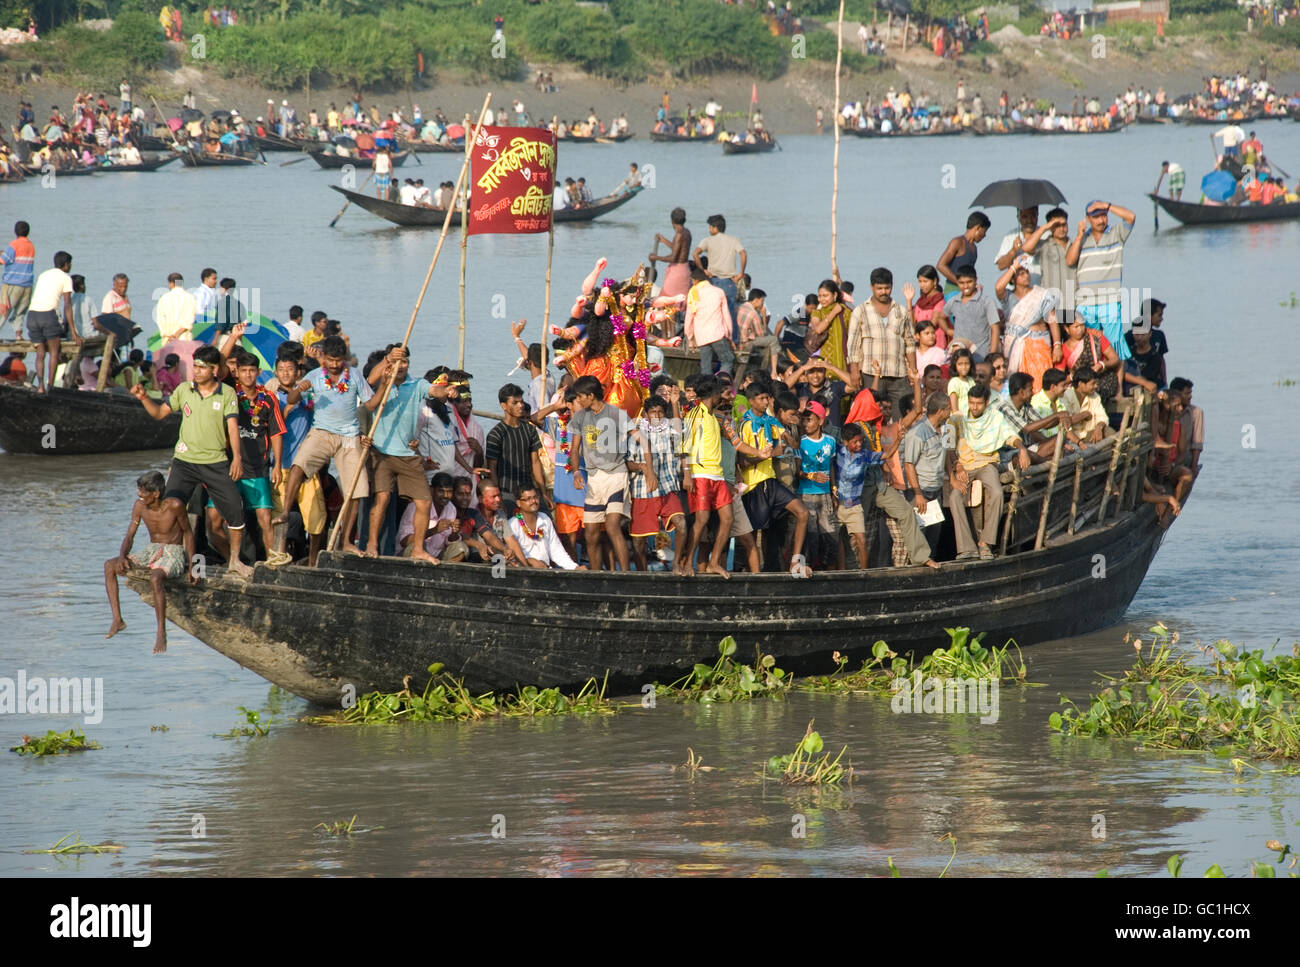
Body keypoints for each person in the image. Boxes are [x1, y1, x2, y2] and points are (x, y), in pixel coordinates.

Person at [131, 344, 251, 577]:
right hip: (184, 462)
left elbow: (233, 429)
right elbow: (158, 414)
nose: (196, 371)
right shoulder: (184, 390)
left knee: (235, 510)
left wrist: (236, 458)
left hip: (216, 462)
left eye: (202, 367)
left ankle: (235, 561)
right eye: (194, 365)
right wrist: (144, 397)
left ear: (215, 370)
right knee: (168, 506)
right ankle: (165, 555)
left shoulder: (227, 394)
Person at [274, 335, 375, 556]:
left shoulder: (355, 376)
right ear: (324, 358)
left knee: (357, 491)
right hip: (321, 432)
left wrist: (385, 387)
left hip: (349, 437)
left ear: (345, 359)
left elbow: (370, 404)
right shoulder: (314, 376)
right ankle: (285, 511)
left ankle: (346, 540)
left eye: (338, 360)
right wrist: (300, 389)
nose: (334, 365)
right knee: (298, 466)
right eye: (330, 360)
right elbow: (291, 399)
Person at [364, 345, 452, 564]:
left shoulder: (416, 384)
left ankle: (418, 549)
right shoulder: (381, 379)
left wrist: (446, 391)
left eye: (404, 362)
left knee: (423, 502)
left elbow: (434, 391)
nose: (400, 367)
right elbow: (370, 381)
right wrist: (387, 364)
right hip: (382, 451)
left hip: (408, 454)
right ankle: (372, 544)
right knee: (382, 498)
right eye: (397, 362)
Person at [104, 470, 196, 654]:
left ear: (156, 494)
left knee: (155, 578)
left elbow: (188, 533)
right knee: (109, 565)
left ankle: (161, 632)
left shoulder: (175, 506)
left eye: (143, 491)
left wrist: (193, 567)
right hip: (151, 550)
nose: (139, 495)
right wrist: (122, 556)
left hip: (173, 552)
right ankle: (117, 619)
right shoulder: (139, 507)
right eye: (139, 490)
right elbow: (130, 534)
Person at [209, 347, 286, 566]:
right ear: (238, 373)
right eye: (243, 371)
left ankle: (272, 563)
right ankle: (233, 561)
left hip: (257, 469)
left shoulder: (269, 398)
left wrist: (278, 465)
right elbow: (218, 365)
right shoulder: (229, 394)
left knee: (265, 519)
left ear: (259, 372)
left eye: (252, 371)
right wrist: (233, 337)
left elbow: (277, 433)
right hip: (227, 469)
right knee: (213, 521)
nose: (248, 375)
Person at [947, 382, 1031, 561]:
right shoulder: (956, 418)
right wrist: (957, 466)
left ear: (986, 403)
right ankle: (966, 548)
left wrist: (1022, 448)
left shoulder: (995, 417)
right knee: (954, 497)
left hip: (987, 463)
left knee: (997, 492)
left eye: (978, 403)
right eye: (971, 403)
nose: (974, 407)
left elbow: (1011, 436)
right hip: (964, 465)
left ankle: (985, 543)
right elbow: (946, 445)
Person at [738, 378, 811, 573]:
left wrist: (796, 426)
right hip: (753, 485)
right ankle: (754, 576)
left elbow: (794, 445)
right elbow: (742, 462)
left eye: (766, 398)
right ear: (751, 401)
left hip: (770, 482)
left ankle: (796, 562)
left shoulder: (770, 422)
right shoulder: (745, 425)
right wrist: (766, 454)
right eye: (761, 399)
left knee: (803, 513)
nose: (765, 402)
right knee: (753, 535)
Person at [567, 374, 630, 572]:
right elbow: (574, 449)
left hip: (616, 474)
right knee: (591, 533)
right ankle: (595, 576)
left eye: (580, 397)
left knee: (612, 526)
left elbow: (640, 438)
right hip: (594, 479)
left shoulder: (615, 414)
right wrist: (577, 472)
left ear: (590, 395)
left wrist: (649, 469)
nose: (578, 401)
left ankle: (627, 576)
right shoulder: (580, 417)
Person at [1066, 199, 1136, 361]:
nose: (1101, 220)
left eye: (1103, 215)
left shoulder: (1116, 233)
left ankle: (1119, 382)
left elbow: (1131, 217)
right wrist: (1078, 236)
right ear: (1088, 218)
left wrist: (1109, 206)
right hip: (1085, 301)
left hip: (1110, 299)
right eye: (1096, 217)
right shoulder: (1082, 239)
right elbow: (1069, 261)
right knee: (1090, 344)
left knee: (1114, 344)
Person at [845, 267, 917, 422]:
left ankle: (901, 446)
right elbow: (853, 344)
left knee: (904, 417)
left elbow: (910, 343)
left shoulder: (901, 311)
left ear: (891, 286)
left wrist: (913, 370)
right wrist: (854, 372)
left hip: (899, 373)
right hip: (870, 373)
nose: (884, 292)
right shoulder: (861, 311)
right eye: (879, 288)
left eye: (887, 288)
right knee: (869, 415)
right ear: (872, 287)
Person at [626, 395, 688, 573]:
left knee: (682, 524)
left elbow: (679, 432)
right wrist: (643, 467)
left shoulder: (668, 430)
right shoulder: (635, 435)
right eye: (653, 412)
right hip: (642, 492)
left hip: (667, 489)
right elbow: (627, 462)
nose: (657, 416)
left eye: (660, 412)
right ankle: (642, 576)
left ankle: (676, 564)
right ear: (646, 414)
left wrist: (675, 404)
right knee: (638, 541)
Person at [681, 375, 735, 579]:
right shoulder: (694, 414)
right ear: (713, 394)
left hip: (717, 475)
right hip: (700, 473)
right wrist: (687, 474)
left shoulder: (714, 416)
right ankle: (687, 562)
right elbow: (684, 444)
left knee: (728, 519)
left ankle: (713, 563)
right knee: (701, 519)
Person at [995, 255, 1061, 392]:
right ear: (1013, 279)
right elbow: (998, 288)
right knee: (1018, 385)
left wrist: (1057, 345)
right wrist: (1014, 267)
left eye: (1027, 272)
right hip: (1014, 347)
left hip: (1038, 346)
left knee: (1039, 384)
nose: (1026, 276)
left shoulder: (1041, 295)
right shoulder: (1008, 297)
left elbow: (1052, 320)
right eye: (1021, 274)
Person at [902, 391, 954, 557]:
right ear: (941, 411)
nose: (951, 413)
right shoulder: (917, 433)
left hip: (936, 489)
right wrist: (917, 494)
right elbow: (909, 465)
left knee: (934, 534)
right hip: (921, 491)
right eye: (949, 410)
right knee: (919, 535)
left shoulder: (947, 428)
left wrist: (952, 477)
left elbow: (947, 454)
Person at [486, 381, 546, 509]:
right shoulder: (496, 434)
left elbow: (536, 463)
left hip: (529, 491)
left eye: (521, 402)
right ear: (504, 406)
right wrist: (498, 496)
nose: (520, 406)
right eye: (515, 403)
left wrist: (543, 492)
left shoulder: (530, 430)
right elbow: (492, 468)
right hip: (507, 492)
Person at [26, 250, 79, 393]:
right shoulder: (66, 278)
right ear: (66, 265)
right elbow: (67, 305)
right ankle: (50, 386)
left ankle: (41, 386)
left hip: (32, 316)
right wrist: (74, 332)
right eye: (70, 264)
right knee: (54, 352)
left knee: (40, 354)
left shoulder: (44, 275)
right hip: (48, 315)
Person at [691, 214, 746, 339]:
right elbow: (743, 253)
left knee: (712, 313)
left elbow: (695, 254)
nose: (709, 229)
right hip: (729, 281)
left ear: (715, 228)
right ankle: (733, 342)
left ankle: (712, 339)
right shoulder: (734, 240)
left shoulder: (708, 240)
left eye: (710, 227)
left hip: (713, 282)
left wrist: (703, 271)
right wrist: (741, 273)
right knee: (730, 314)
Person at [796, 401, 837, 568]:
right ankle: (810, 569)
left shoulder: (831, 441)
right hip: (806, 494)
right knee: (811, 535)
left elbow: (831, 466)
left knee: (830, 534)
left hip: (825, 494)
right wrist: (812, 476)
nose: (806, 424)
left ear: (820, 421)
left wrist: (834, 490)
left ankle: (830, 572)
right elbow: (797, 471)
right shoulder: (800, 442)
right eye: (804, 420)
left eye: (810, 419)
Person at [506, 485, 583, 569]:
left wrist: (575, 567)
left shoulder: (545, 519)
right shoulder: (512, 524)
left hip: (545, 571)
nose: (533, 501)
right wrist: (528, 561)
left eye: (535, 497)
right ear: (518, 503)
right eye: (528, 499)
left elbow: (556, 551)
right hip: (522, 571)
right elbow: (509, 556)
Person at [944, 265, 1000, 363]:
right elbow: (941, 316)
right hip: (960, 358)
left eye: (969, 282)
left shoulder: (986, 301)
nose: (965, 286)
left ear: (976, 280)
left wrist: (992, 356)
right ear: (957, 282)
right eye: (961, 283)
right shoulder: (954, 301)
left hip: (982, 355)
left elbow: (995, 329)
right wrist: (948, 330)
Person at [684, 265, 734, 374]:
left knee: (705, 368)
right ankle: (722, 382)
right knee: (728, 360)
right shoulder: (718, 292)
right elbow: (726, 315)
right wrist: (729, 335)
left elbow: (689, 317)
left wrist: (689, 337)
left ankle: (706, 388)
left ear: (695, 280)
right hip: (717, 334)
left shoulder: (693, 293)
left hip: (701, 337)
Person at [936, 211, 990, 293]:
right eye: (984, 231)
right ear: (977, 228)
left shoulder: (974, 248)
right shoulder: (957, 242)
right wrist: (959, 282)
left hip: (967, 292)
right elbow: (941, 265)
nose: (985, 235)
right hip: (952, 290)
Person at [649, 207, 692, 303]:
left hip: (677, 271)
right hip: (685, 268)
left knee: (667, 298)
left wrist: (655, 257)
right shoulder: (687, 232)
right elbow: (677, 249)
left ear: (672, 221)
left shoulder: (679, 234)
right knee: (679, 300)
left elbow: (673, 258)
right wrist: (663, 240)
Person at [1, 220, 34, 341]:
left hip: (13, 283)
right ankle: (19, 335)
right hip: (27, 284)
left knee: (4, 309)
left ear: (15, 231)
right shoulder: (31, 246)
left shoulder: (14, 244)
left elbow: (3, 260)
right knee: (20, 311)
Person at [736, 287, 779, 380]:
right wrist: (763, 316)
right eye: (762, 301)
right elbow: (761, 334)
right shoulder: (753, 313)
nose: (763, 304)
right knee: (773, 340)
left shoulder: (740, 307)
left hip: (736, 341)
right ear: (755, 301)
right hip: (746, 343)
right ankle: (774, 371)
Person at [993, 206, 1041, 283]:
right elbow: (1001, 266)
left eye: (1033, 216)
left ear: (1037, 215)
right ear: (1018, 217)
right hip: (1016, 291)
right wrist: (1013, 250)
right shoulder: (1011, 236)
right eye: (1024, 216)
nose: (1029, 220)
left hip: (1040, 289)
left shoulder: (1045, 235)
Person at [1062, 368, 1109, 444]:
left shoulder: (1095, 396)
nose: (1096, 386)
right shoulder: (1066, 396)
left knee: (1108, 431)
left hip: (1090, 434)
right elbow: (1066, 422)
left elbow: (1102, 417)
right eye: (1093, 383)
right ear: (1080, 384)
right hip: (1072, 439)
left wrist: (1098, 427)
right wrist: (1084, 415)